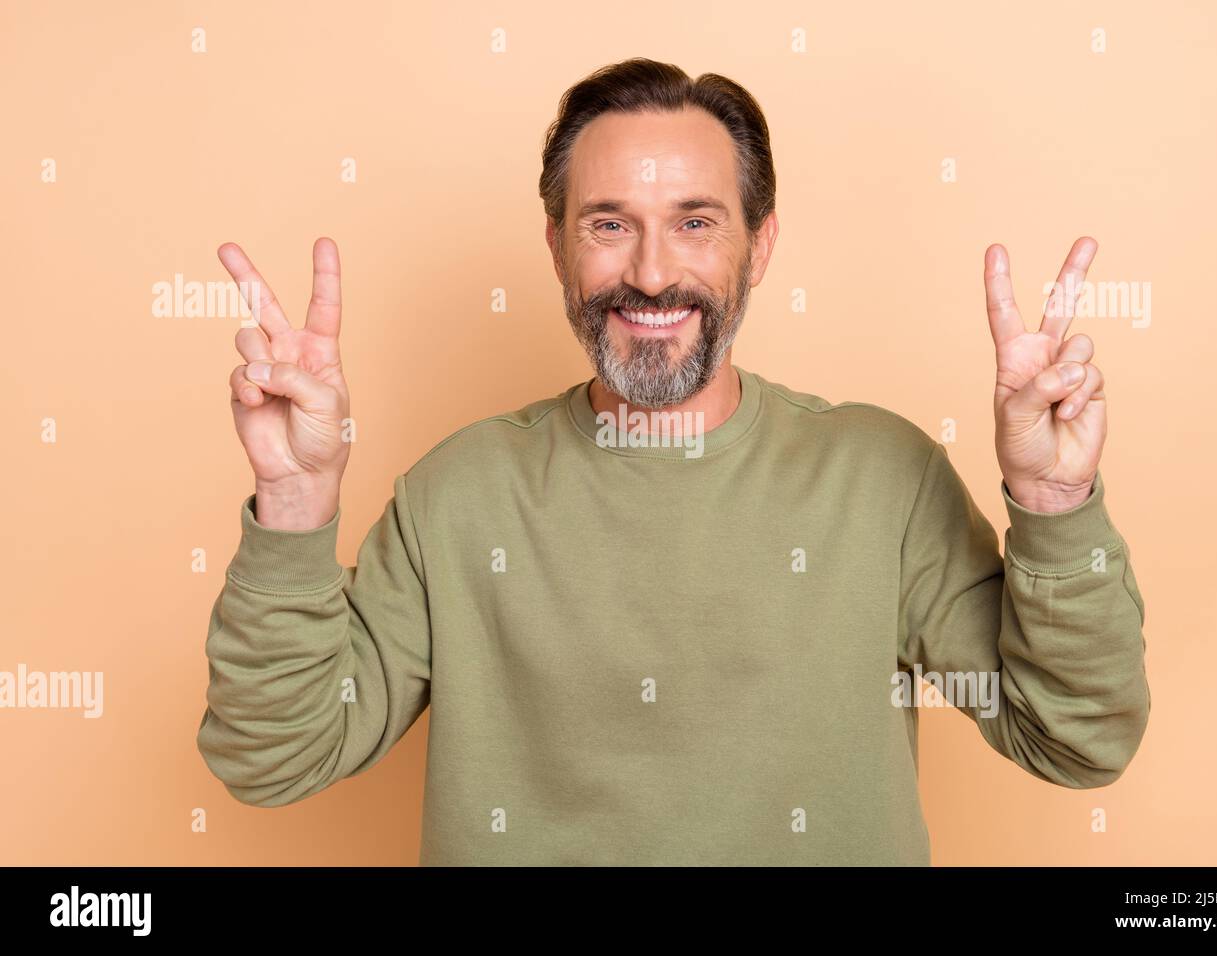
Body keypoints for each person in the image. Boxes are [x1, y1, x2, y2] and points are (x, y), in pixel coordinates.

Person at [197, 57, 1150, 865]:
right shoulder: (457, 495)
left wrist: (1054, 501)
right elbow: (276, 759)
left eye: (695, 222)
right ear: (557, 247)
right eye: (609, 224)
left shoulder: (883, 478)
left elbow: (1078, 740)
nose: (651, 274)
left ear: (759, 246)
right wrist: (294, 501)